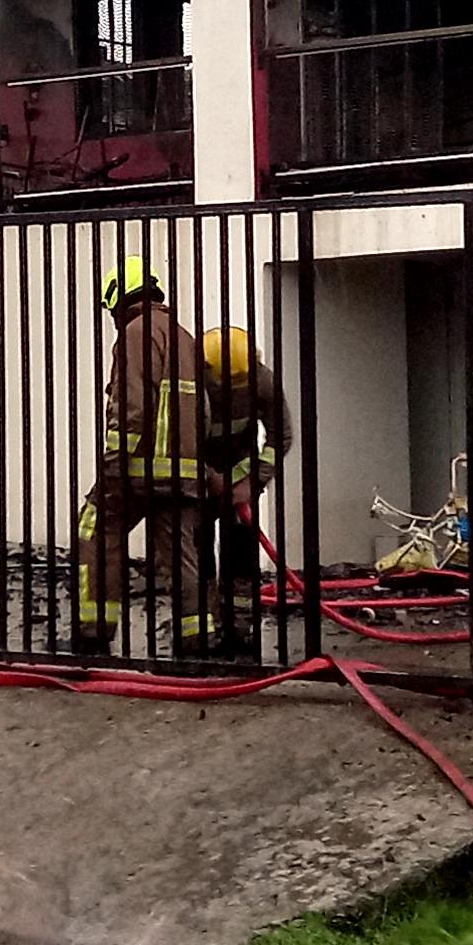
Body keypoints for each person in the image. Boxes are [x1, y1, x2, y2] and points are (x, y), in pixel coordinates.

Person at [75, 256, 210, 656]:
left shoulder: (135, 334)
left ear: (120, 299)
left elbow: (130, 408)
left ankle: (93, 633)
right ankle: (195, 640)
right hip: (184, 474)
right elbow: (201, 409)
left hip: (139, 470)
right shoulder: (183, 336)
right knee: (181, 554)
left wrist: (114, 468)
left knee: (95, 529)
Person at [199, 326, 293, 655]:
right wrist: (208, 478)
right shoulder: (191, 383)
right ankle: (203, 627)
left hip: (241, 484)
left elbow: (280, 437)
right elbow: (174, 440)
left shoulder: (262, 381)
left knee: (240, 554)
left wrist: (252, 483)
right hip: (197, 484)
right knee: (196, 557)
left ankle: (240, 626)